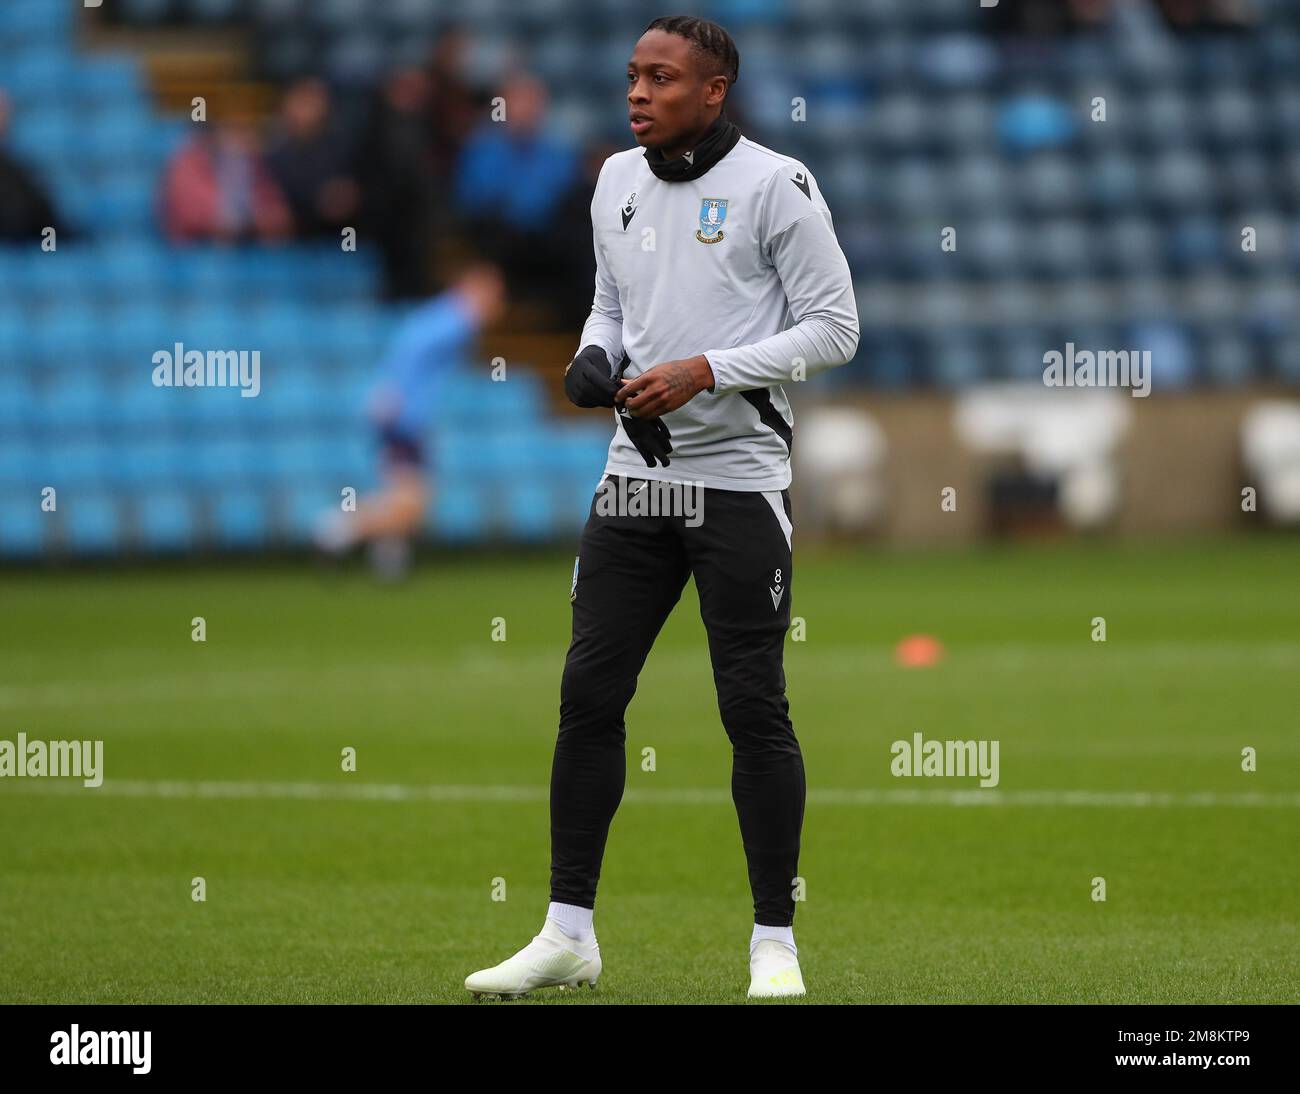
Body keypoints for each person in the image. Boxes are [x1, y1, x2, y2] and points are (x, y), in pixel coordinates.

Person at [463, 15, 859, 1000]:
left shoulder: (778, 185)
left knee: (751, 708)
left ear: (713, 91)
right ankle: (567, 932)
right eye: (633, 75)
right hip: (633, 483)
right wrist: (595, 354)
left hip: (737, 487)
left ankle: (774, 941)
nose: (638, 92)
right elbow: (612, 301)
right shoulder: (614, 182)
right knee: (588, 697)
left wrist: (706, 371)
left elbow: (836, 328)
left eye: (662, 78)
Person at [313, 262, 506, 578]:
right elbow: (411, 352)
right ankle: (336, 529)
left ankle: (389, 560)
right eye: (491, 294)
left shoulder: (437, 317)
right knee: (413, 501)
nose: (496, 303)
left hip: (405, 415)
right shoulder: (453, 320)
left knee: (406, 495)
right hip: (403, 416)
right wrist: (395, 396)